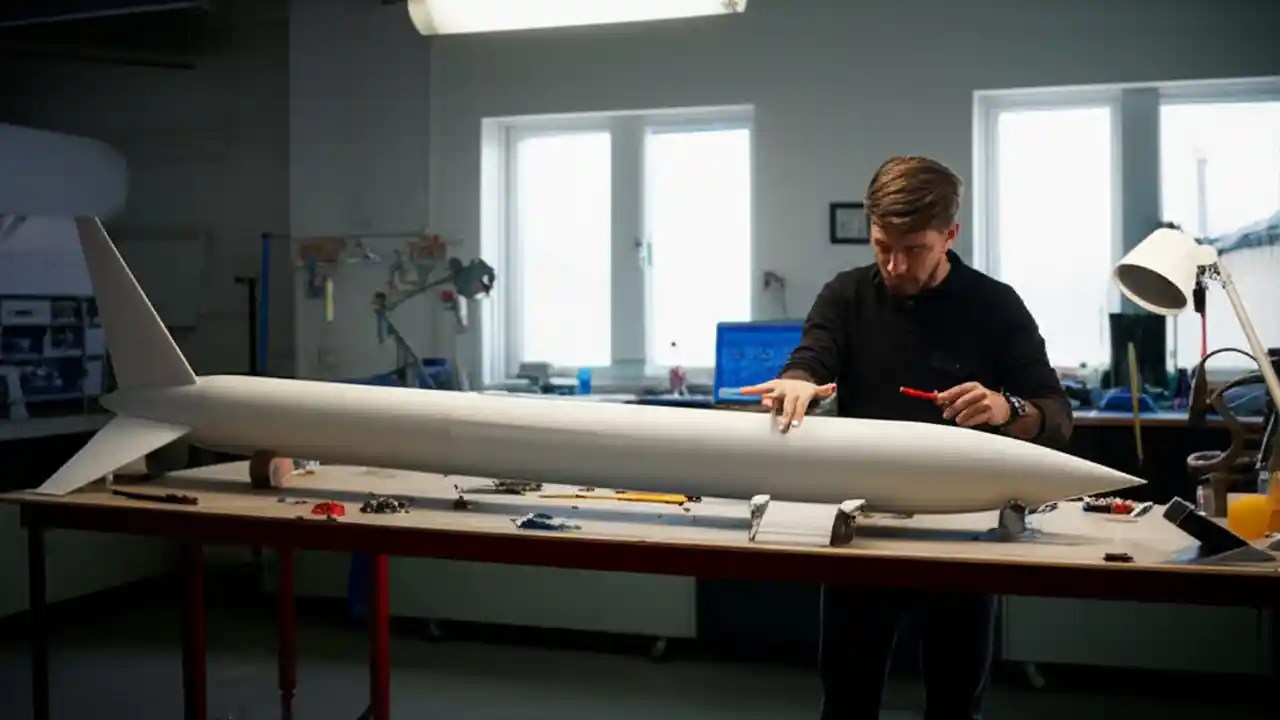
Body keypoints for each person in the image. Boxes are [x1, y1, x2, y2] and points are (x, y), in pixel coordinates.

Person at [740, 155, 1072, 720]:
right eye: (880, 246)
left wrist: (1004, 406)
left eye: (913, 249)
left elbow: (1056, 416)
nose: (894, 265)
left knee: (954, 703)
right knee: (846, 700)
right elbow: (811, 360)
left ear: (951, 235)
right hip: (860, 528)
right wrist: (796, 385)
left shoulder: (994, 305)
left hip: (963, 534)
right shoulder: (845, 296)